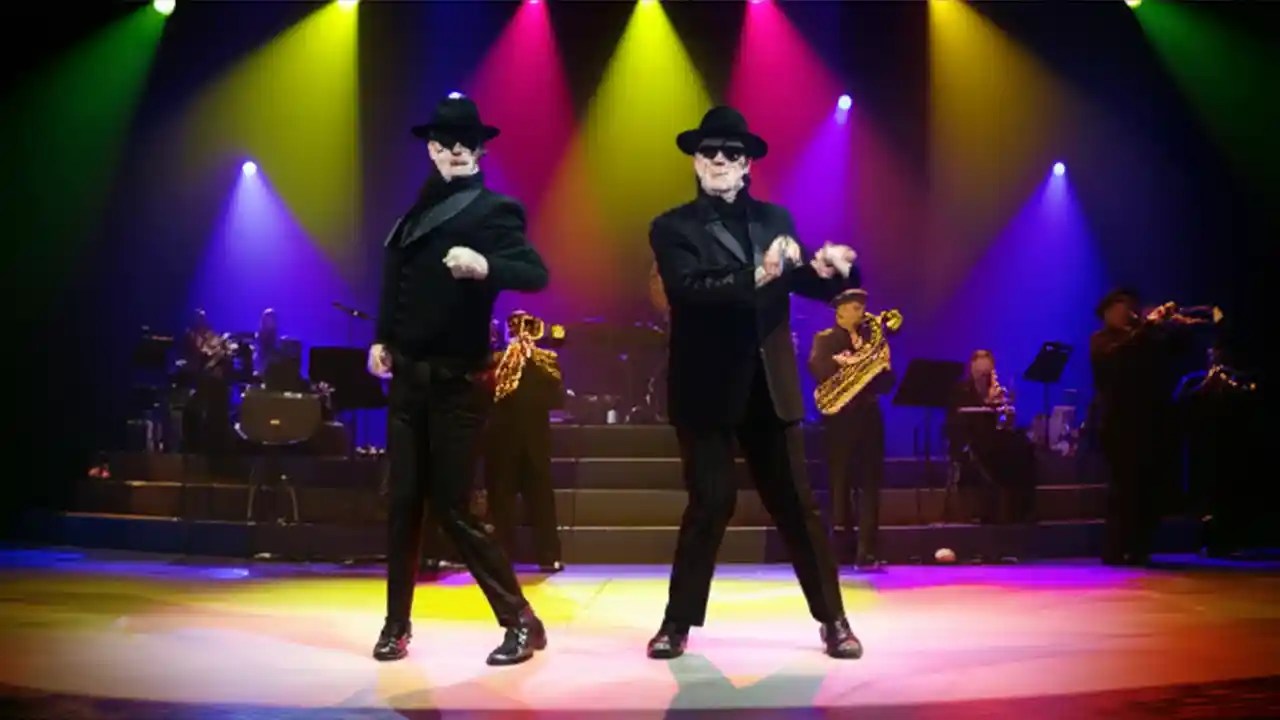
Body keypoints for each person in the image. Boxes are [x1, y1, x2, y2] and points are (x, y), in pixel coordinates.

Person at [646, 106, 864, 660]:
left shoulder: (775, 220)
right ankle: (677, 622)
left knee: (796, 507)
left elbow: (803, 283)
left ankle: (834, 619)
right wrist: (759, 274)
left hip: (770, 387)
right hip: (706, 388)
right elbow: (689, 290)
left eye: (731, 154)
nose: (719, 161)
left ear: (747, 165)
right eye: (709, 152)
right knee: (710, 504)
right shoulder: (672, 226)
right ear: (695, 162)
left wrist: (835, 270)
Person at [367, 95, 549, 665]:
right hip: (408, 381)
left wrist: (486, 266)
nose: (454, 151)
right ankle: (396, 626)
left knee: (452, 506)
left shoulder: (494, 210)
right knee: (403, 504)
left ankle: (520, 620)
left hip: (457, 380)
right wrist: (380, 338)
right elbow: (393, 283)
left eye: (465, 143)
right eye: (444, 143)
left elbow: (536, 274)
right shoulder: (412, 215)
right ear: (430, 148)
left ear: (480, 149)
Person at [1089, 289, 1191, 566]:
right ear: (1107, 312)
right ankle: (1114, 549)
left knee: (1148, 488)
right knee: (1122, 488)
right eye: (1120, 307)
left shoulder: (1146, 337)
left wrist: (1176, 328)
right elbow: (1116, 359)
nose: (1126, 312)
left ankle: (1139, 548)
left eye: (1128, 307)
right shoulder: (1101, 341)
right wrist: (1146, 327)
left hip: (1149, 423)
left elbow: (1175, 352)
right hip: (1117, 424)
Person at [808, 288, 893, 570]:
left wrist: (883, 366)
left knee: (870, 485)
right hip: (840, 419)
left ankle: (867, 552)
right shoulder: (825, 339)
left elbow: (887, 385)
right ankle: (839, 551)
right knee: (839, 484)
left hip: (869, 417)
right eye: (856, 308)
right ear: (840, 311)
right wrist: (844, 364)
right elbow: (818, 370)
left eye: (863, 307)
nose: (862, 313)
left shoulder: (873, 341)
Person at [484, 311, 565, 572]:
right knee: (501, 498)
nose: (520, 333)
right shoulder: (495, 361)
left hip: (534, 439)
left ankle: (548, 554)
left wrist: (531, 359)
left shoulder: (545, 360)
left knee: (540, 497)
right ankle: (501, 555)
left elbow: (556, 398)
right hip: (501, 437)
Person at [944, 350, 1037, 525]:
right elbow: (956, 424)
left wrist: (1003, 409)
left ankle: (1024, 509)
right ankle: (996, 511)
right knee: (992, 454)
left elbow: (1005, 423)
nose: (984, 379)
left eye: (987, 374)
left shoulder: (996, 390)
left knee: (1024, 447)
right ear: (972, 371)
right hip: (971, 441)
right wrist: (985, 404)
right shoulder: (961, 391)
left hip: (994, 440)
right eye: (980, 375)